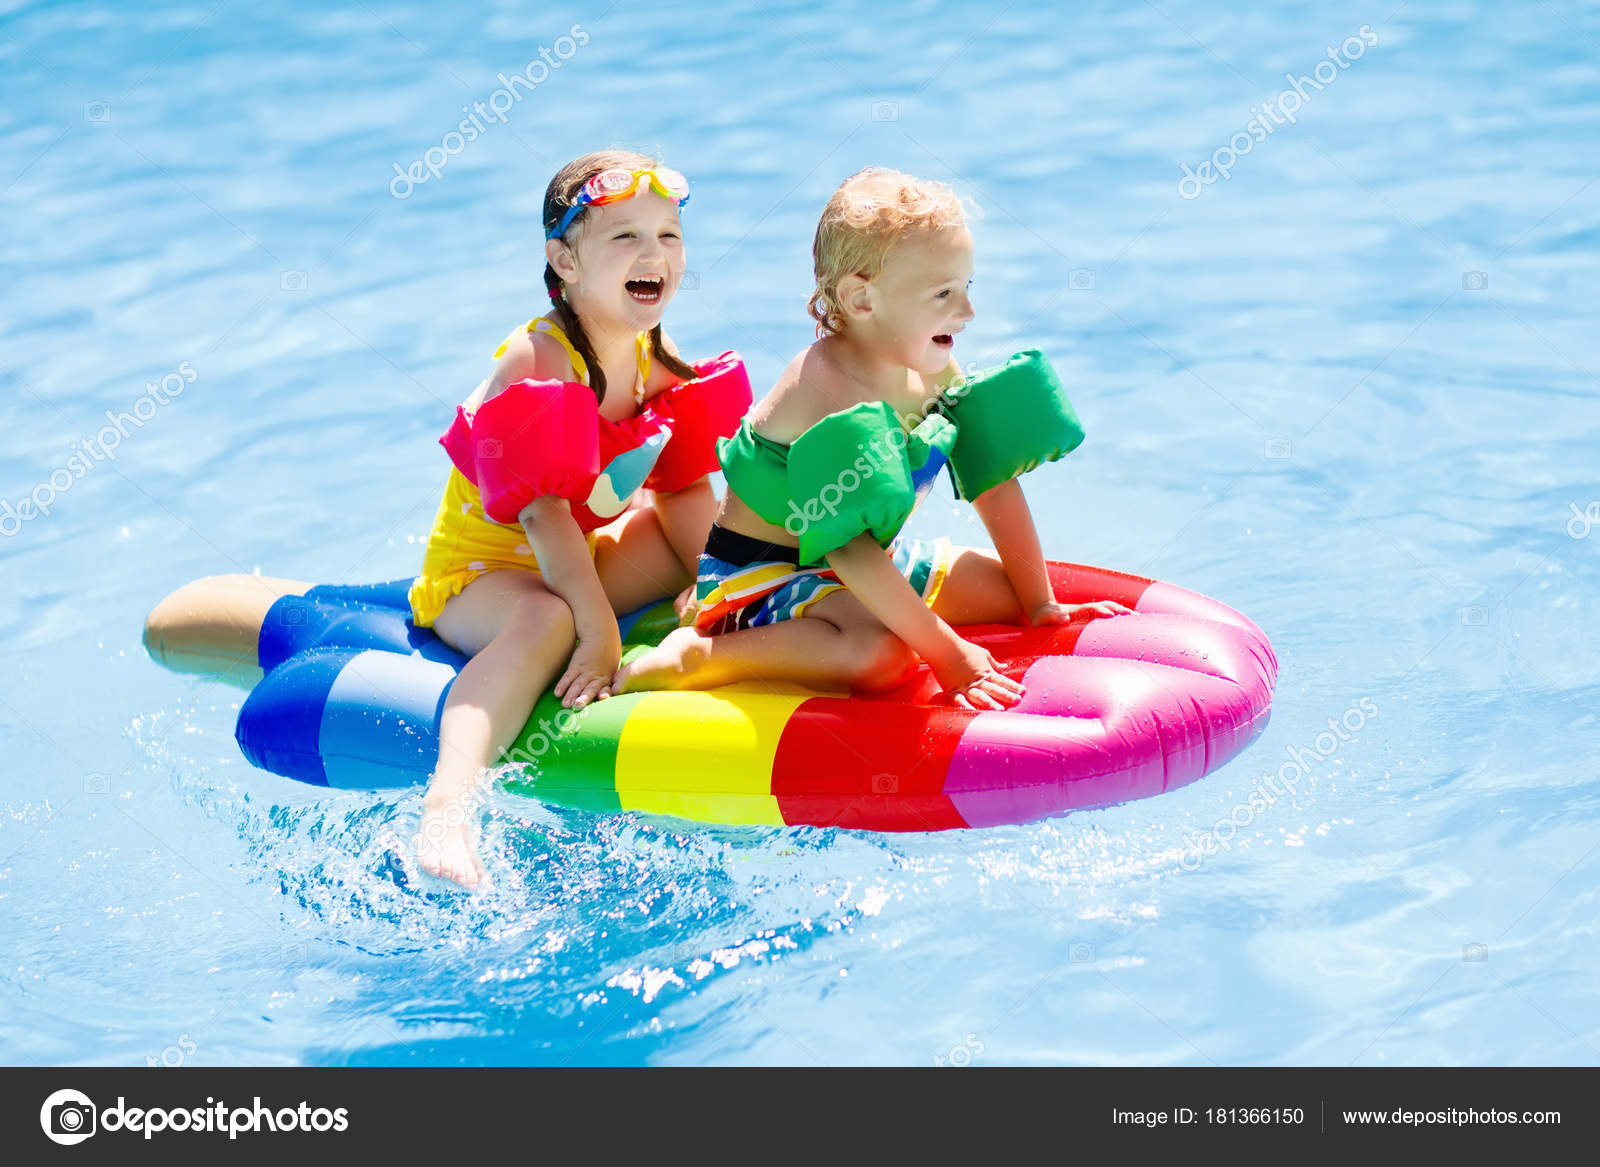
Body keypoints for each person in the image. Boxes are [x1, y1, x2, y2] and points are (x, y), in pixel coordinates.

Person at [614, 166, 1128, 707]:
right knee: (884, 656)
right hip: (765, 576)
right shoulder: (824, 386)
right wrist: (952, 659)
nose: (968, 311)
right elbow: (848, 549)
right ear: (863, 300)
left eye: (968, 286)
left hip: (871, 561)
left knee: (1007, 594)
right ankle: (698, 653)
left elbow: (991, 482)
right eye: (943, 293)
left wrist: (1040, 604)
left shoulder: (933, 366)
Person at [408, 149, 751, 888]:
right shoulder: (538, 361)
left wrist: (719, 584)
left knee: (699, 535)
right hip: (484, 576)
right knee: (547, 624)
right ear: (563, 260)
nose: (653, 253)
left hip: (580, 562)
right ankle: (448, 805)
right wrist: (596, 629)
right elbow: (543, 516)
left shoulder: (658, 358)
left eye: (668, 235)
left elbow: (687, 488)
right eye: (624, 237)